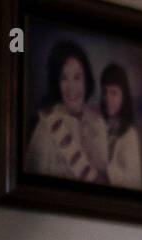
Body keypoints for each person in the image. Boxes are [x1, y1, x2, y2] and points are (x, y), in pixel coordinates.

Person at [25, 40, 109, 183]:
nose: (71, 88)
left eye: (77, 77)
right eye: (64, 78)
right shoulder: (47, 126)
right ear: (57, 84)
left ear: (86, 80)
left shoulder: (98, 122)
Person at [100, 63, 142, 190]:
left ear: (123, 96)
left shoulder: (130, 135)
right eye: (105, 92)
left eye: (113, 93)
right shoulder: (99, 125)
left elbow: (133, 182)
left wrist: (106, 168)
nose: (107, 98)